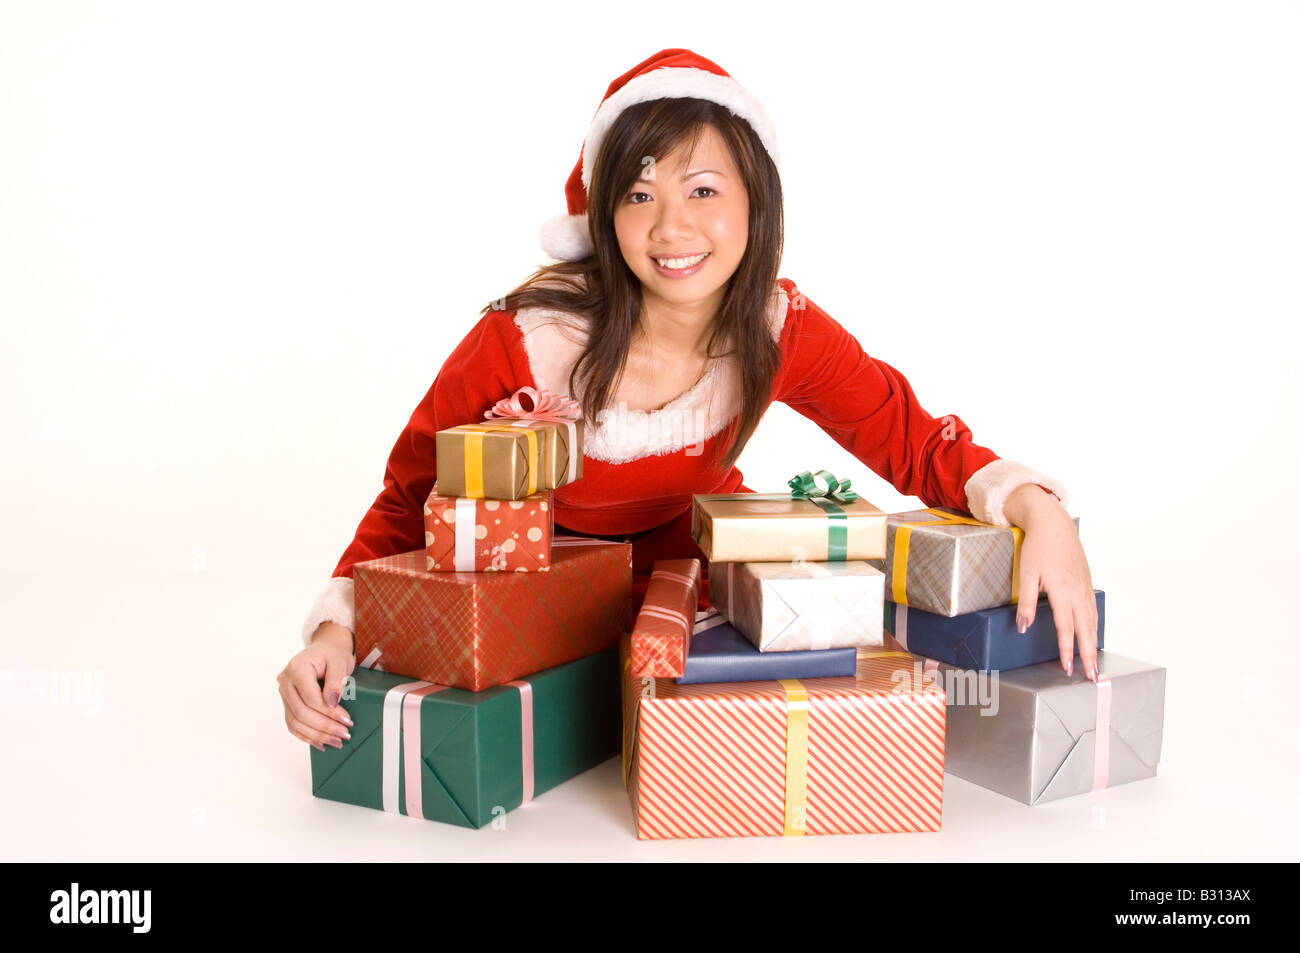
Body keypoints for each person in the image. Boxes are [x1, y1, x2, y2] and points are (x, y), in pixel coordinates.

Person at [277, 49, 1098, 753]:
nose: (673, 228)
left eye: (703, 189)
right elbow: (410, 492)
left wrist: (1037, 507)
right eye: (639, 196)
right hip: (532, 596)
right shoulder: (527, 340)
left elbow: (911, 439)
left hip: (691, 588)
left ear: (754, 200)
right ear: (604, 216)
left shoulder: (780, 328)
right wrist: (334, 625)